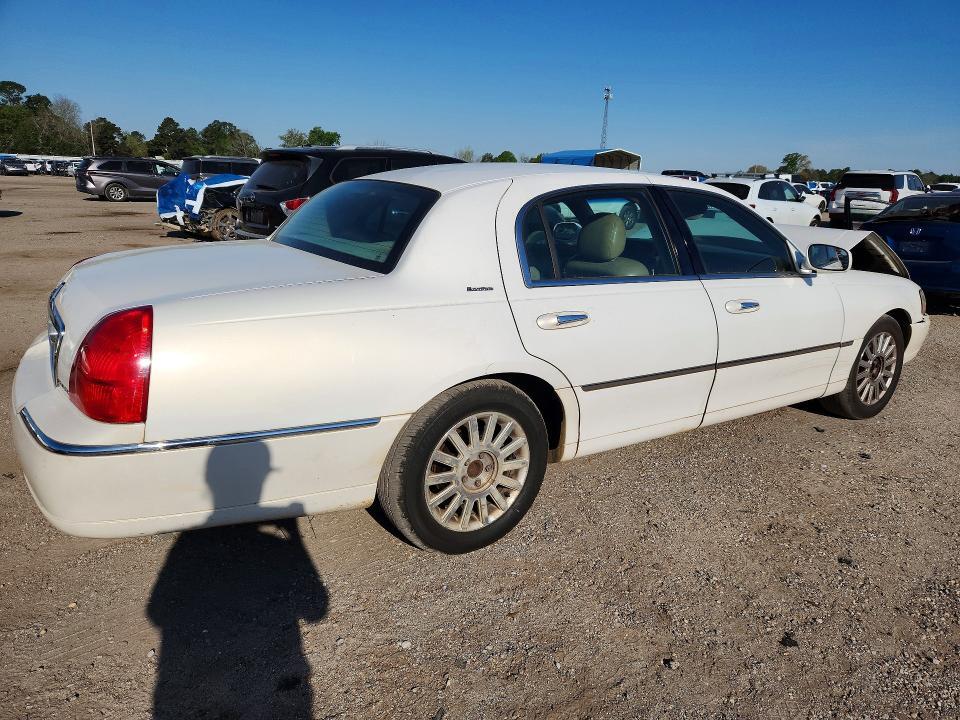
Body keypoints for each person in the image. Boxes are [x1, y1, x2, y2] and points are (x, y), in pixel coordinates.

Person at [147, 442, 328, 719]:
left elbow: (156, 611)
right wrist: (296, 539)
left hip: (186, 683)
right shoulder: (275, 547)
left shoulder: (188, 541)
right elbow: (317, 610)